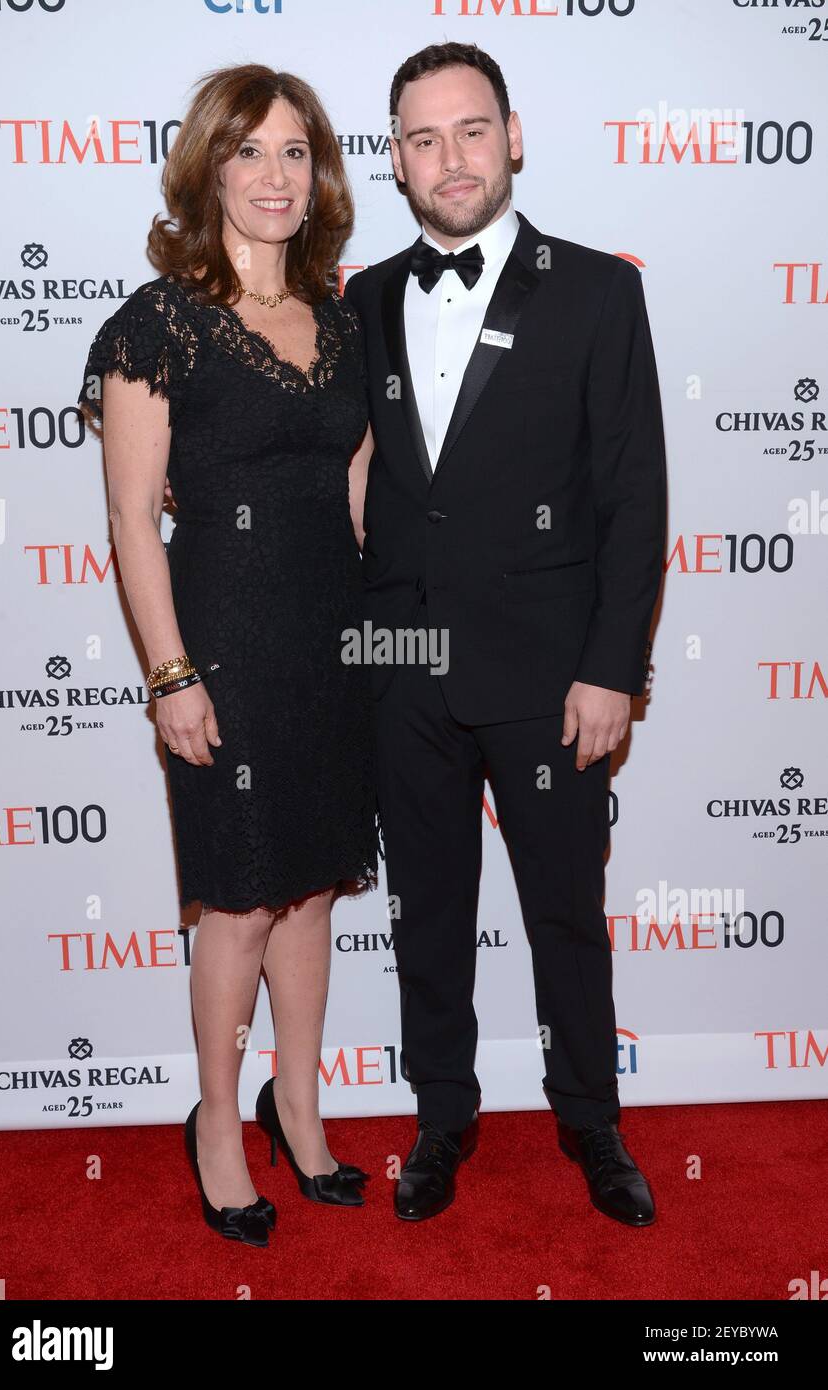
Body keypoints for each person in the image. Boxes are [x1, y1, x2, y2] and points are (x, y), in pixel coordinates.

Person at [344, 42, 667, 1225]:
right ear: (394, 159)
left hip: (550, 671)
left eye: (469, 130)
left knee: (563, 914)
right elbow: (354, 471)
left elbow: (635, 495)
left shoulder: (594, 288)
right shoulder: (366, 298)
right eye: (421, 139)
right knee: (425, 909)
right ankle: (442, 1117)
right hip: (402, 671)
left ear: (513, 135)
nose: (449, 158)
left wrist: (608, 672)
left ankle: (589, 1117)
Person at [78, 63, 378, 1248]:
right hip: (224, 640)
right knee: (242, 901)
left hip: (330, 642)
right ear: (206, 167)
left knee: (311, 890)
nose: (273, 174)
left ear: (319, 176)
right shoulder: (159, 320)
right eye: (248, 151)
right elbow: (127, 518)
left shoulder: (342, 317)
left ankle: (296, 1108)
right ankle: (215, 1121)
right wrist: (170, 673)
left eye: (294, 151)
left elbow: (354, 491)